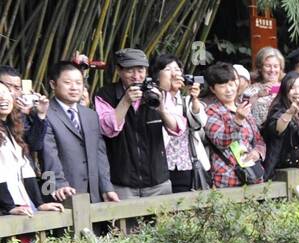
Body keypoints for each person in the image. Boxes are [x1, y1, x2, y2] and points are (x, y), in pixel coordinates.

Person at [95, 47, 185, 197]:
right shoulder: (106, 95)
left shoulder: (159, 92)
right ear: (119, 70)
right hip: (122, 181)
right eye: (130, 71)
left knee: (161, 221)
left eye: (141, 70)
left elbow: (177, 129)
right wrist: (125, 101)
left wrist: (161, 108)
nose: (136, 76)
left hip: (158, 180)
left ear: (147, 71)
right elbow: (107, 130)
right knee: (124, 221)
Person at [40, 61, 117, 202]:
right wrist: (56, 186)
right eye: (68, 82)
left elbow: (100, 154)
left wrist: (106, 187)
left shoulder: (91, 115)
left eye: (79, 82)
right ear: (53, 84)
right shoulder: (45, 113)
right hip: (62, 193)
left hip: (93, 194)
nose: (74, 88)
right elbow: (47, 156)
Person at [0, 81, 63, 221]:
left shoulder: (12, 128)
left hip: (20, 202)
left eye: (5, 93)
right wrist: (8, 206)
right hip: (7, 207)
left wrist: (39, 203)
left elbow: (26, 169)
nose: (2, 98)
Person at [204, 62, 265, 187]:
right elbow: (222, 142)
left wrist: (257, 153)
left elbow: (259, 140)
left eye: (231, 84)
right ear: (212, 89)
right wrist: (237, 120)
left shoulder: (243, 108)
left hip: (252, 176)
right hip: (227, 178)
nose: (229, 90)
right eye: (222, 86)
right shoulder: (211, 111)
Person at [151, 52, 206, 191]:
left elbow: (199, 124)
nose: (174, 74)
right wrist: (166, 91)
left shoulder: (186, 100)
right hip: (161, 164)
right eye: (168, 70)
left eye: (177, 70)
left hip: (186, 162)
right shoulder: (152, 99)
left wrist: (194, 99)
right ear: (157, 75)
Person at [260, 71, 299, 174]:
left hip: (293, 166)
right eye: (292, 88)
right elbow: (277, 129)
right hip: (274, 169)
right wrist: (290, 112)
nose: (297, 92)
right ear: (285, 91)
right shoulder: (278, 109)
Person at [0, 66, 49, 169]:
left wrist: (39, 114)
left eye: (17, 88)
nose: (12, 92)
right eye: (7, 87)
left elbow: (34, 144)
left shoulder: (20, 114)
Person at [244, 46, 285, 127]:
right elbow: (242, 112)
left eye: (276, 66)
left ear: (281, 68)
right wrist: (258, 95)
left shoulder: (288, 86)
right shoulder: (251, 90)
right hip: (259, 135)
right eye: (268, 66)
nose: (272, 70)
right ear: (260, 67)